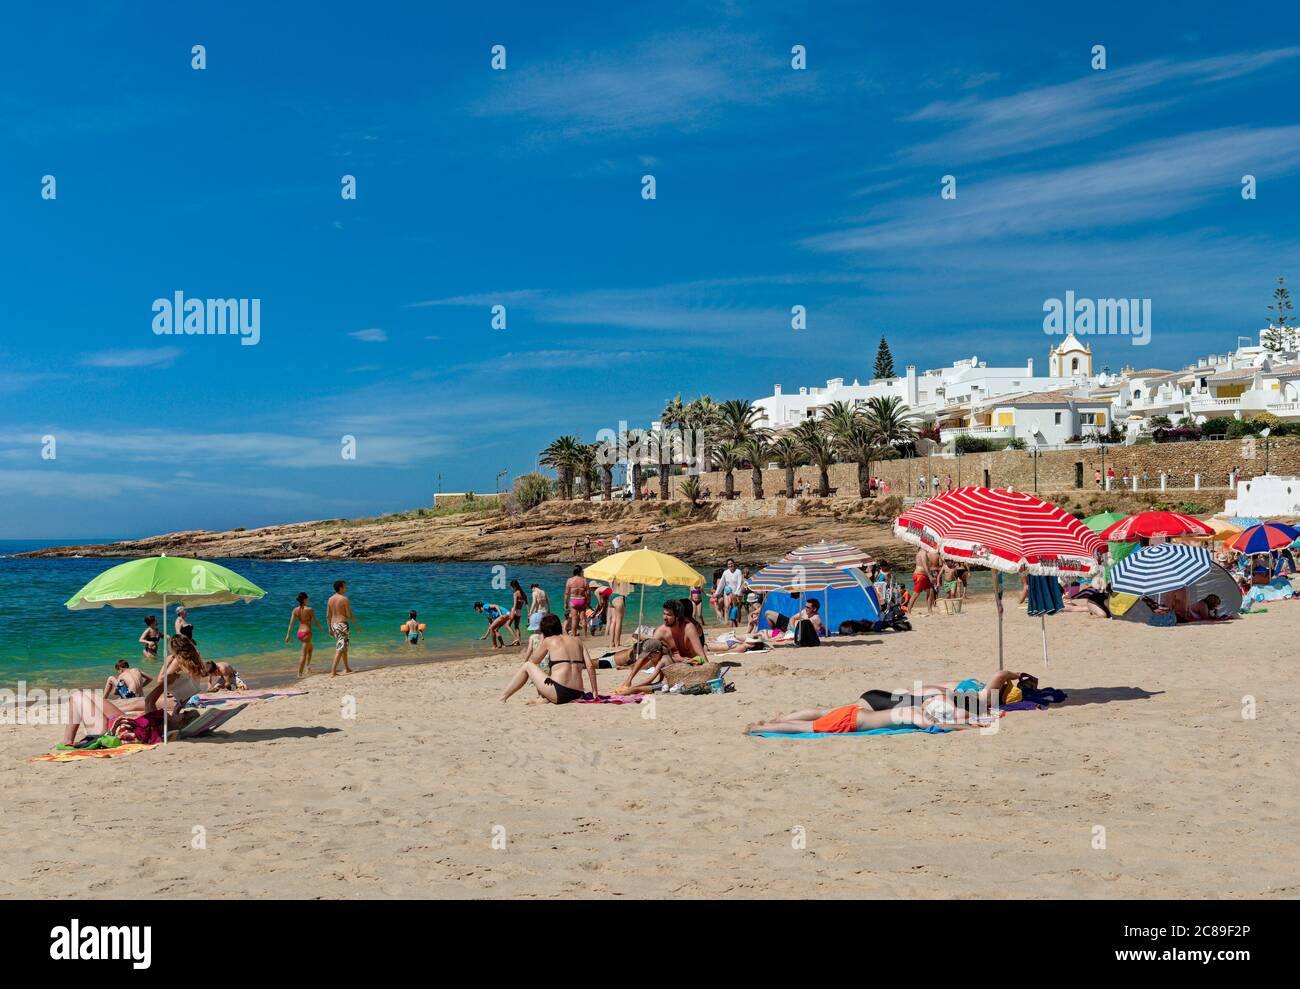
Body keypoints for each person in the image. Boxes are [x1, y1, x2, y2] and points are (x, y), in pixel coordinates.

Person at [60, 634, 209, 747]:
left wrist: (164, 684)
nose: (182, 712)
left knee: (77, 696)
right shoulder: (167, 721)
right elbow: (167, 709)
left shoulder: (165, 723)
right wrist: (178, 708)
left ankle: (67, 741)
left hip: (107, 730)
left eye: (184, 714)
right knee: (87, 695)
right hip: (121, 721)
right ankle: (69, 738)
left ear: (181, 721)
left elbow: (149, 700)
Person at [498, 613, 598, 705]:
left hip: (559, 693)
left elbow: (534, 661)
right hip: (578, 693)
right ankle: (544, 698)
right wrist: (594, 692)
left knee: (527, 665)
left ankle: (502, 698)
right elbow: (590, 666)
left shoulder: (548, 640)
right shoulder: (578, 640)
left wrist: (542, 641)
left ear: (544, 630)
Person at [326, 580, 359, 677]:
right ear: (340, 588)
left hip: (334, 625)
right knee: (340, 648)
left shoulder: (330, 599)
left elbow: (328, 616)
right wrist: (356, 625)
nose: (346, 588)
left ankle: (347, 668)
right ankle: (333, 671)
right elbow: (349, 614)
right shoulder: (344, 599)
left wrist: (329, 628)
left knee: (344, 647)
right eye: (345, 586)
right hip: (342, 625)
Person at [286, 592, 323, 677]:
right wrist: (320, 628)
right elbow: (315, 621)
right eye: (307, 599)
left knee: (310, 648)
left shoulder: (295, 610)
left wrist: (288, 635)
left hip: (299, 633)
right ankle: (299, 673)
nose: (308, 600)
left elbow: (290, 624)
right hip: (307, 633)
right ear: (305, 599)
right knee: (303, 654)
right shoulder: (309, 609)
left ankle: (308, 667)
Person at [913, 547, 942, 615]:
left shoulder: (927, 554)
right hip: (932, 572)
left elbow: (925, 565)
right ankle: (934, 603)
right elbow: (940, 565)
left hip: (927, 572)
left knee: (930, 590)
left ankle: (929, 606)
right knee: (935, 589)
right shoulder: (937, 555)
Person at [564, 566, 590, 637]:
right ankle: (585, 636)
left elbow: (566, 593)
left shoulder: (570, 580)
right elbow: (588, 593)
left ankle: (574, 635)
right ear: (580, 572)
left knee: (574, 619)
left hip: (573, 600)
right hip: (582, 600)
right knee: (583, 618)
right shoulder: (584, 580)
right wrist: (588, 602)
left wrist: (565, 603)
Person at [718, 559, 743, 626]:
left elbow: (740, 583)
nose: (730, 565)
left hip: (736, 592)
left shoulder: (738, 572)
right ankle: (727, 622)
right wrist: (717, 593)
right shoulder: (725, 572)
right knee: (727, 606)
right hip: (727, 592)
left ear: (734, 564)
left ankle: (737, 622)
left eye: (731, 563)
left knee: (736, 608)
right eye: (729, 564)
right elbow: (721, 583)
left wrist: (736, 593)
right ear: (727, 565)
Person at [506, 579, 527, 646]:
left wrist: (512, 613)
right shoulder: (523, 593)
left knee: (507, 625)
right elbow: (526, 603)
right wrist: (529, 612)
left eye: (512, 586)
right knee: (516, 626)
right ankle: (519, 641)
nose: (512, 588)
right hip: (519, 611)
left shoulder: (515, 593)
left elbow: (515, 604)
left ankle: (515, 638)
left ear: (514, 586)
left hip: (515, 610)